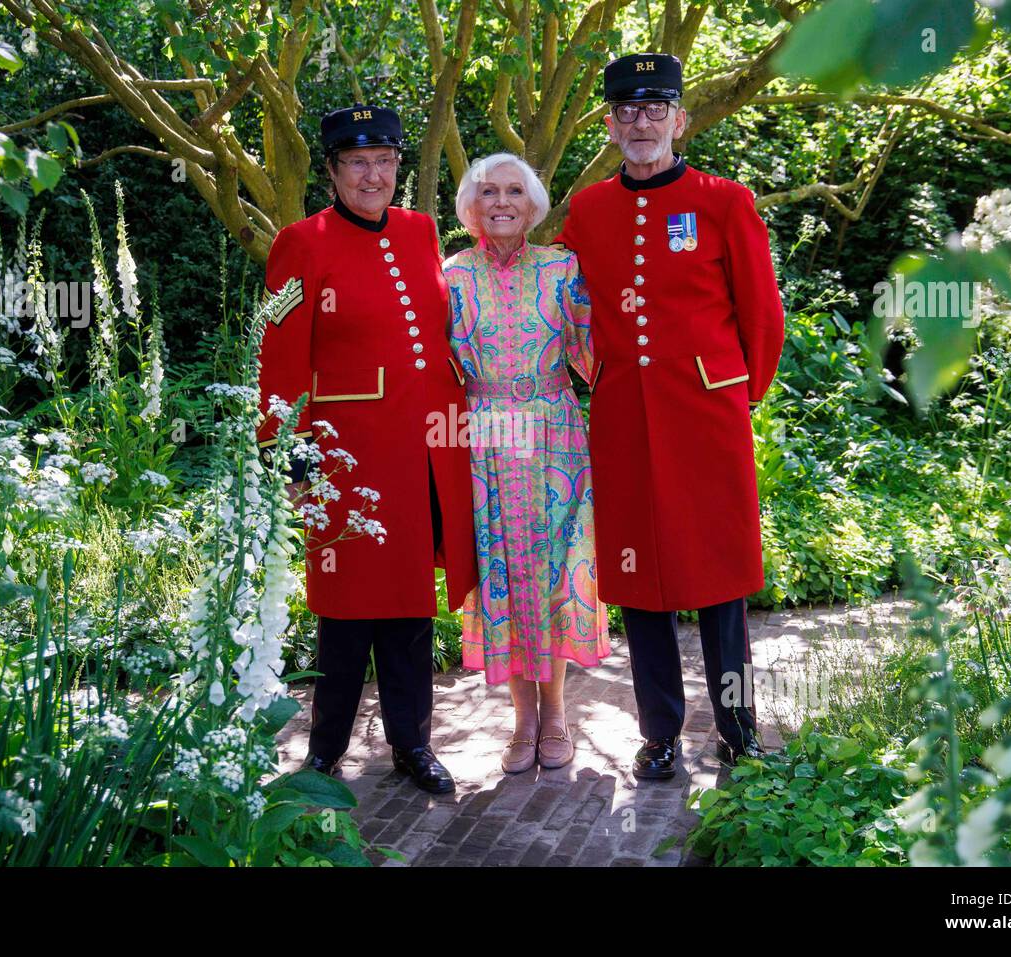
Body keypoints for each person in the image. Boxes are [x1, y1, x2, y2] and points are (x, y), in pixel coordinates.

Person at [554, 53, 785, 780]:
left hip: (707, 417)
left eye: (656, 109)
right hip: (624, 419)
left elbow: (762, 312)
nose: (641, 122)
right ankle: (659, 733)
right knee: (639, 579)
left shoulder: (724, 200)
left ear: (680, 119)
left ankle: (739, 728)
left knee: (721, 581)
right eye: (627, 111)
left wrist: (740, 394)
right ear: (610, 123)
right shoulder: (587, 209)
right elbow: (564, 304)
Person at [258, 104, 479, 794]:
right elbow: (280, 356)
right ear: (331, 171)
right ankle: (324, 753)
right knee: (346, 608)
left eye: (384, 161)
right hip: (344, 453)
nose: (373, 175)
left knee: (411, 606)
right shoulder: (301, 241)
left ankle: (413, 745)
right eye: (357, 162)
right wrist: (292, 455)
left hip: (419, 452)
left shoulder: (419, 231)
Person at [443, 154, 611, 773]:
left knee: (554, 569)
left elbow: (598, 351)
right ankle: (521, 725)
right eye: (489, 192)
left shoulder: (563, 268)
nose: (503, 202)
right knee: (505, 571)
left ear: (534, 203)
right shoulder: (452, 275)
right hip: (487, 438)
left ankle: (558, 715)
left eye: (515, 191)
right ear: (471, 206)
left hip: (555, 435)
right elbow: (434, 368)